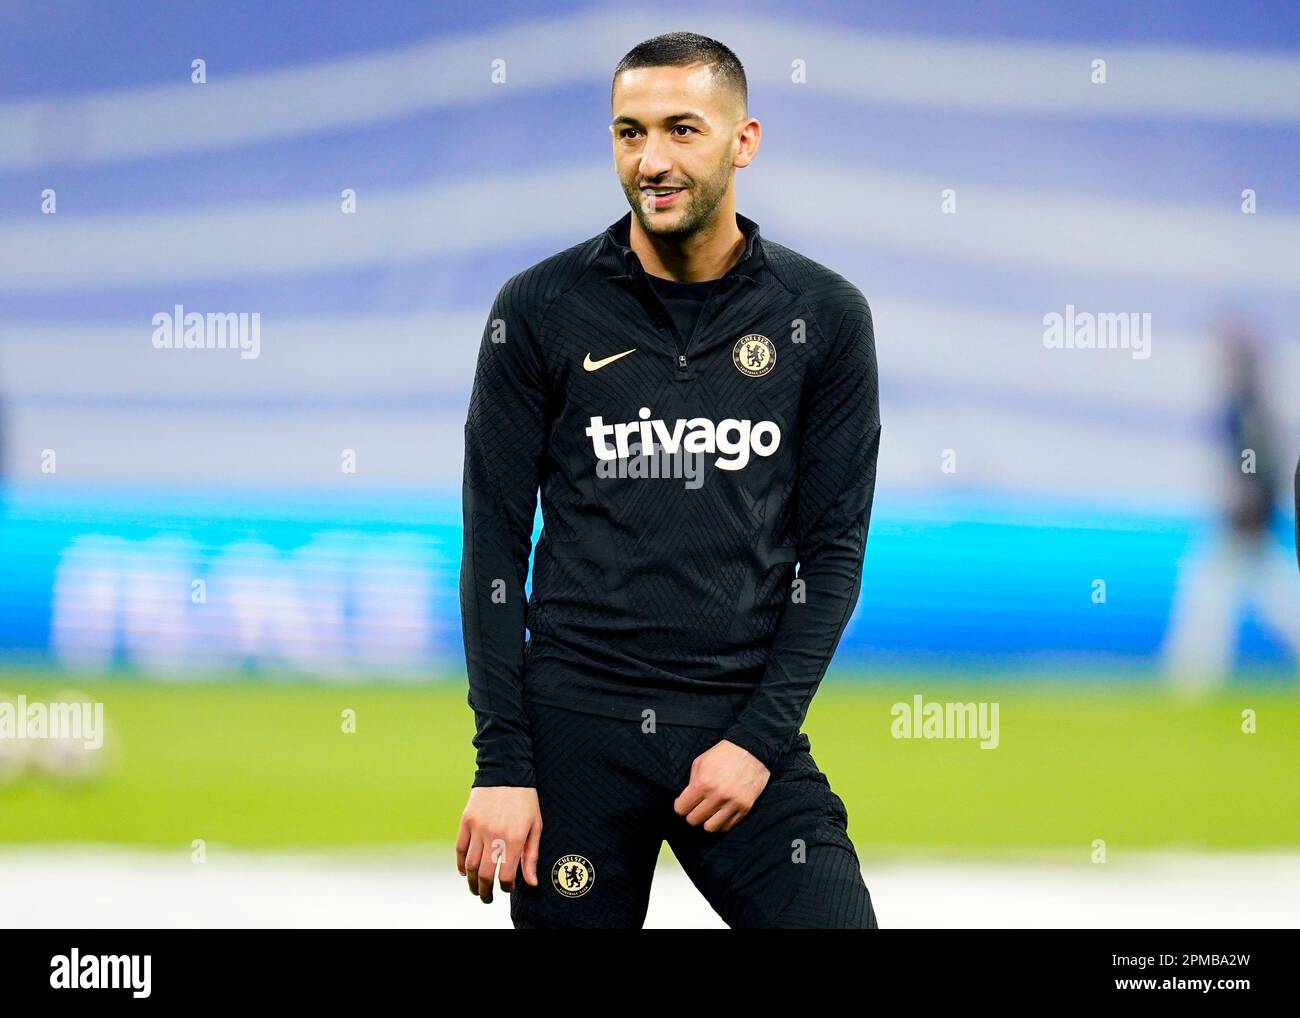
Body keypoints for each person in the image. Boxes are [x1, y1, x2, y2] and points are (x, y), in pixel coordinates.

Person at [455, 32, 881, 928]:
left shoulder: (824, 317)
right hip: (576, 732)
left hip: (739, 731)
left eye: (682, 129)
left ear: (744, 140)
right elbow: (494, 547)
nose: (652, 160)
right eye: (628, 132)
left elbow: (832, 557)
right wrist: (503, 765)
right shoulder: (538, 308)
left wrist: (759, 744)